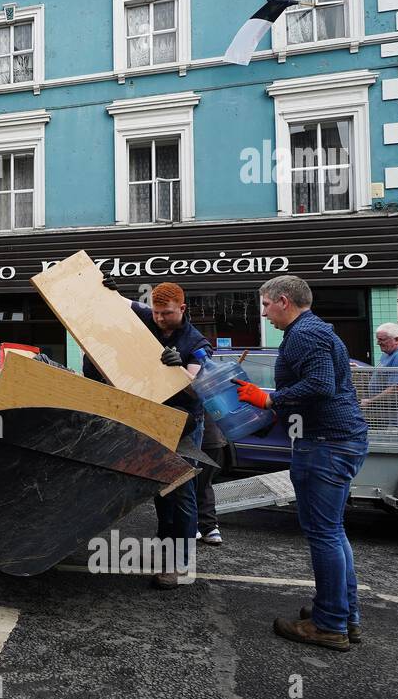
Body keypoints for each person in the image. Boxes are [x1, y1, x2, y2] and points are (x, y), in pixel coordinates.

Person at [236, 275, 367, 652]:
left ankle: (329, 624)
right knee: (334, 531)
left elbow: (321, 385)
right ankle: (344, 615)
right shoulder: (313, 330)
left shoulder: (305, 334)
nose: (264, 313)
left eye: (265, 305)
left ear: (282, 300)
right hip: (339, 440)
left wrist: (269, 400)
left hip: (326, 444)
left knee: (324, 534)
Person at [89, 280, 211, 588]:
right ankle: (165, 544)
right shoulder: (149, 316)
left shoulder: (197, 344)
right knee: (159, 485)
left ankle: (179, 564)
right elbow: (120, 304)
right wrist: (109, 289)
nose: (159, 318)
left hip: (184, 423)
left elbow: (198, 390)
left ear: (182, 309)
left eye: (166, 313)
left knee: (181, 491)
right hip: (152, 416)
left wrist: (178, 368)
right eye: (156, 312)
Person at [196, 415, 226, 546]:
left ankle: (190, 526)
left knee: (186, 486)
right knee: (204, 483)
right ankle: (209, 528)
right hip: (213, 438)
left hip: (196, 439)